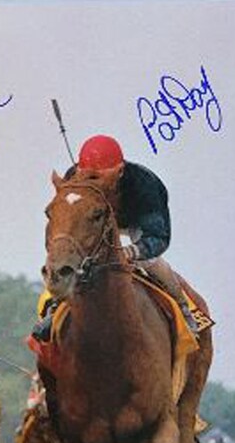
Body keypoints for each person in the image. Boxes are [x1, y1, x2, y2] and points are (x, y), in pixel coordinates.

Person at [32, 133, 199, 340]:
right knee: (70, 265)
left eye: (98, 178)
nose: (91, 182)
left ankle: (184, 311)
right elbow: (64, 221)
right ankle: (52, 311)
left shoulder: (146, 185)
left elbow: (159, 237)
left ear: (119, 171)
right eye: (87, 175)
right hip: (95, 223)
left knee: (151, 263)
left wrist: (132, 250)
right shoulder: (73, 177)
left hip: (135, 221)